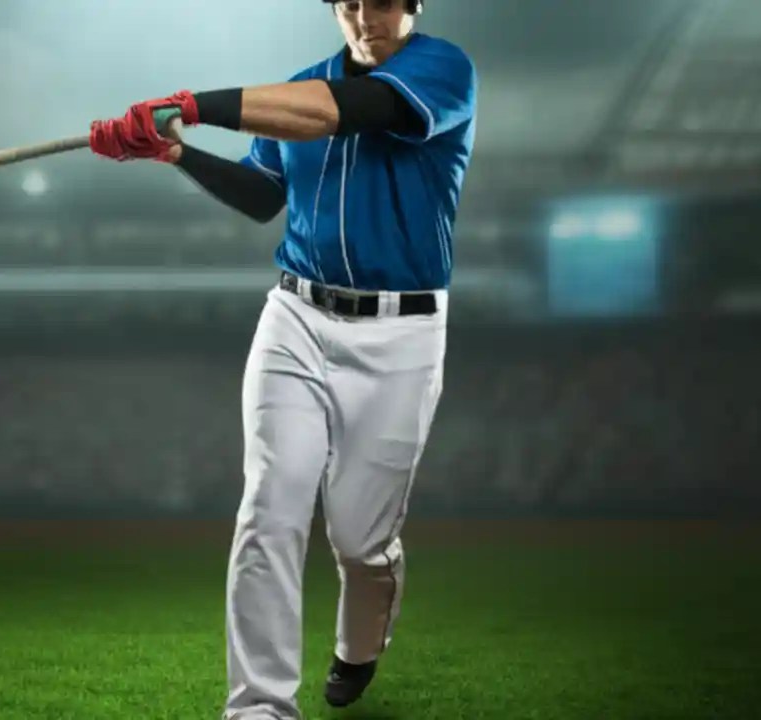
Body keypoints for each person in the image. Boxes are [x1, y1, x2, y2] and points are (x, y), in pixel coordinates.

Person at [88, 1, 477, 717]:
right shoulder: (301, 86)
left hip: (402, 333)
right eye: (349, 2)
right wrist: (177, 151)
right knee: (270, 508)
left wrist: (193, 105)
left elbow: (347, 110)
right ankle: (259, 706)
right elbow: (263, 195)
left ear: (414, 4)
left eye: (382, 0)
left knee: (362, 541)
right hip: (296, 315)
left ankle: (360, 648)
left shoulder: (443, 70)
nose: (365, 16)